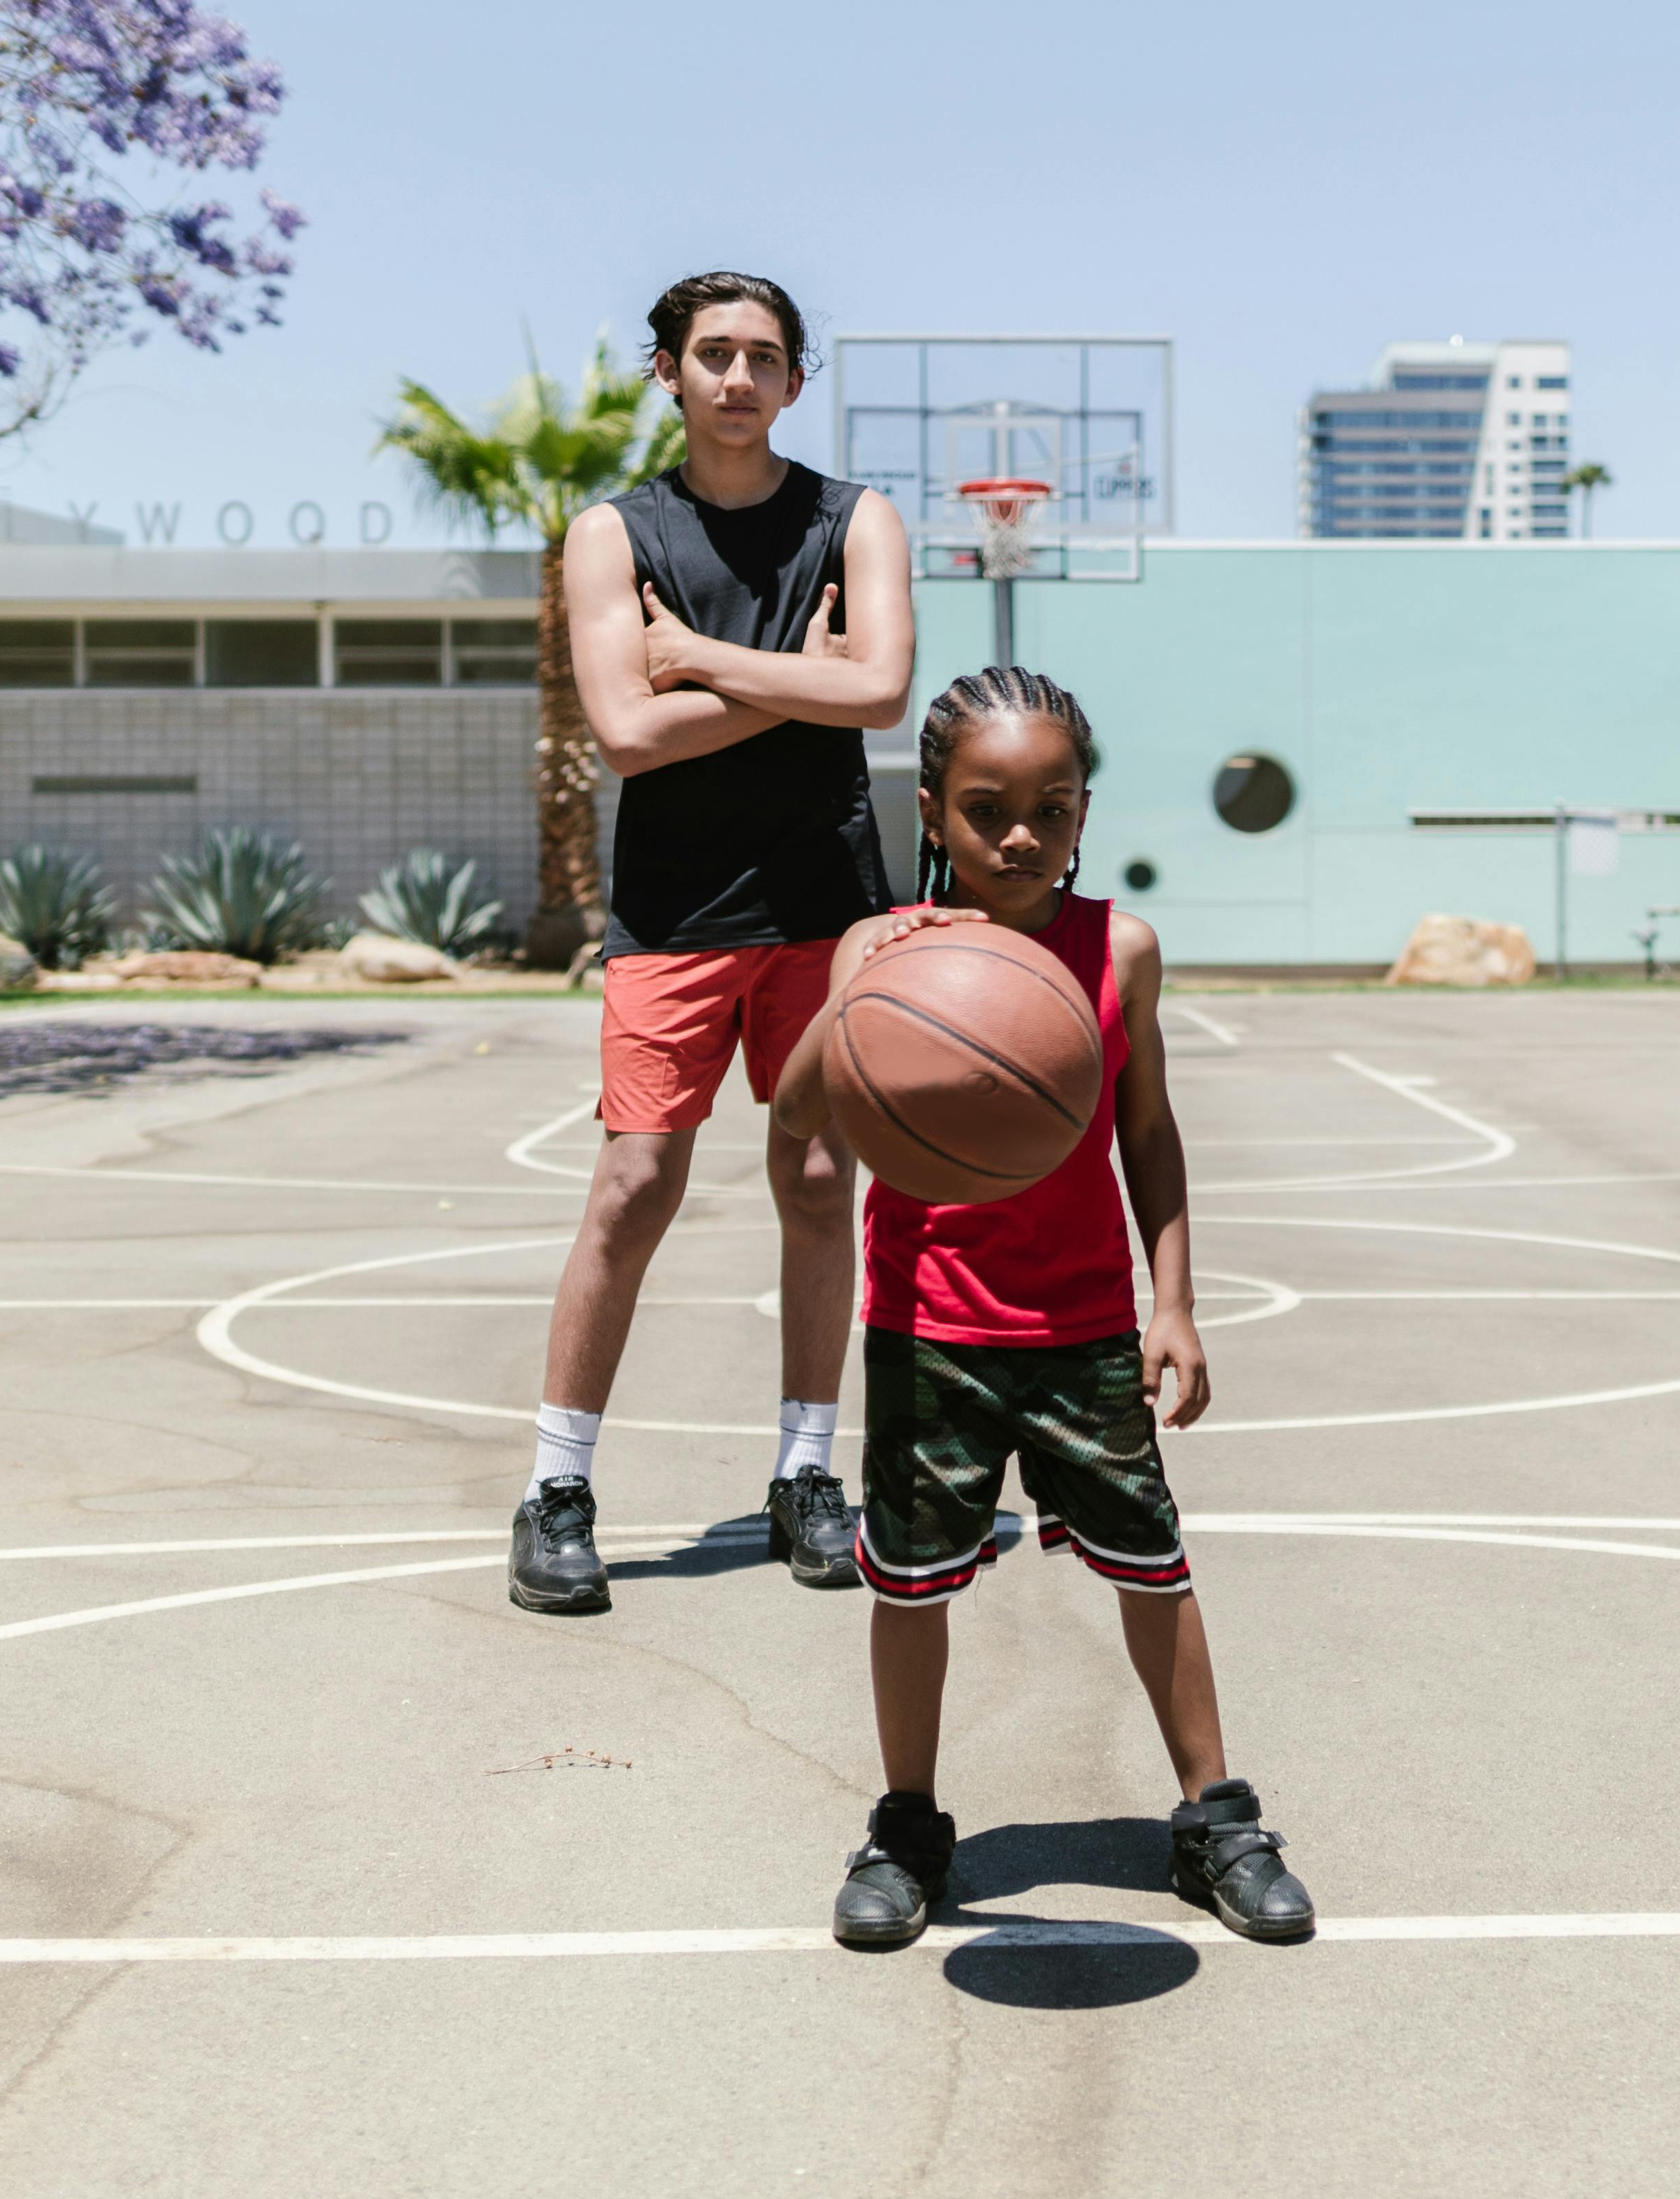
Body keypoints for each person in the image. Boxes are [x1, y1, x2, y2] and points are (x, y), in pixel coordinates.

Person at [768, 667, 1315, 1949]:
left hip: (1083, 1330)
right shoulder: (879, 951)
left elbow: (1151, 1132)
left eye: (1052, 808)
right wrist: (862, 994)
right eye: (986, 808)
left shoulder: (1118, 949)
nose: (1021, 834)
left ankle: (1215, 1815)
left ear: (1084, 813)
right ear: (932, 813)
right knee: (908, 1586)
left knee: (1154, 1570)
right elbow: (796, 1112)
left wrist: (1172, 1301)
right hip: (929, 1328)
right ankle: (907, 1824)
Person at [513, 271, 917, 1614]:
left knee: (816, 1179)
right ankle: (555, 1487)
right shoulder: (606, 533)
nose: (736, 376)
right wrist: (790, 683)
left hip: (826, 903)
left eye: (762, 356)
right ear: (666, 373)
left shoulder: (855, 518)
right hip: (674, 910)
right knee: (634, 1182)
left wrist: (696, 656)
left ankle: (807, 1470)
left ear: (795, 380)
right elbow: (625, 734)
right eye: (711, 354)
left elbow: (880, 687)